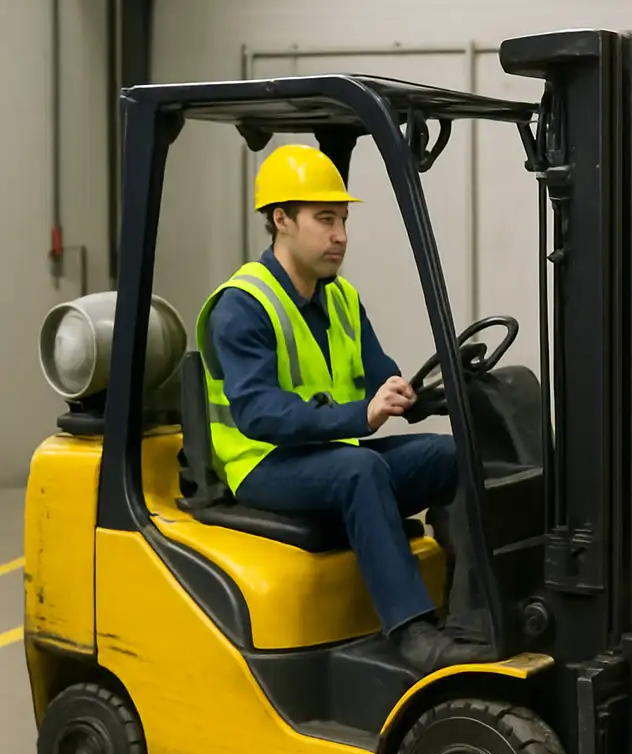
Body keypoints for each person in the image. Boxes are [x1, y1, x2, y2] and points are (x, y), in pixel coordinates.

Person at [195, 143, 485, 674]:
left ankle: (470, 602)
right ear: (281, 220)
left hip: (326, 453)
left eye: (344, 220)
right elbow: (259, 414)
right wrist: (362, 416)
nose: (340, 236)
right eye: (325, 219)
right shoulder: (243, 306)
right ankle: (411, 630)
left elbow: (382, 376)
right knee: (360, 468)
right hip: (260, 465)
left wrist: (428, 393)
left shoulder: (341, 298)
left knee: (452, 457)